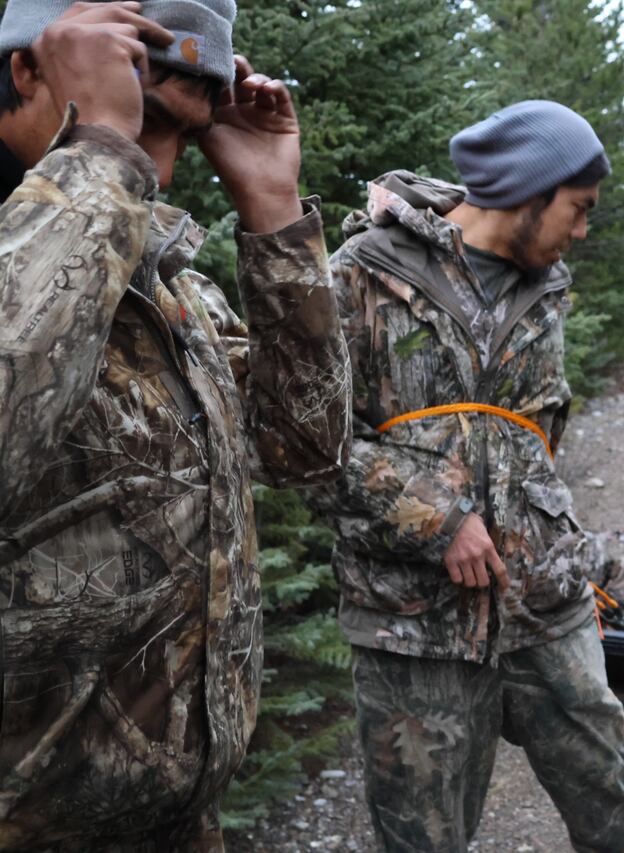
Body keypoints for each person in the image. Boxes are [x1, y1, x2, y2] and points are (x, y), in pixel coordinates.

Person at [0, 1, 351, 849]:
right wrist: (101, 158)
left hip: (177, 820)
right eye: (134, 118)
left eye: (178, 139)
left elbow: (305, 447)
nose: (152, 168)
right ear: (27, 71)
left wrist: (273, 207)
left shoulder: (174, 295)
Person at [313, 100, 624, 852]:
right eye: (578, 209)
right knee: (424, 838)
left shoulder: (544, 287)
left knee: (618, 816)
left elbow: (535, 441)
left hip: (544, 605)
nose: (583, 230)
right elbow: (303, 443)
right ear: (529, 192)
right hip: (415, 629)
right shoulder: (362, 276)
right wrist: (438, 518)